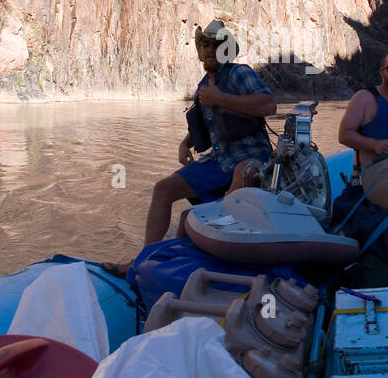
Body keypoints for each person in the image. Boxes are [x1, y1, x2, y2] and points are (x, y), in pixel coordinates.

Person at [103, 20, 276, 274]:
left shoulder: (240, 73)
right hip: (219, 160)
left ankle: (219, 256)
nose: (208, 49)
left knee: (241, 173)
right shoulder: (202, 86)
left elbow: (268, 105)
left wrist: (222, 99)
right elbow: (204, 128)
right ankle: (141, 263)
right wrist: (185, 143)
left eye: (216, 44)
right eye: (204, 43)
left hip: (251, 156)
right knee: (163, 189)